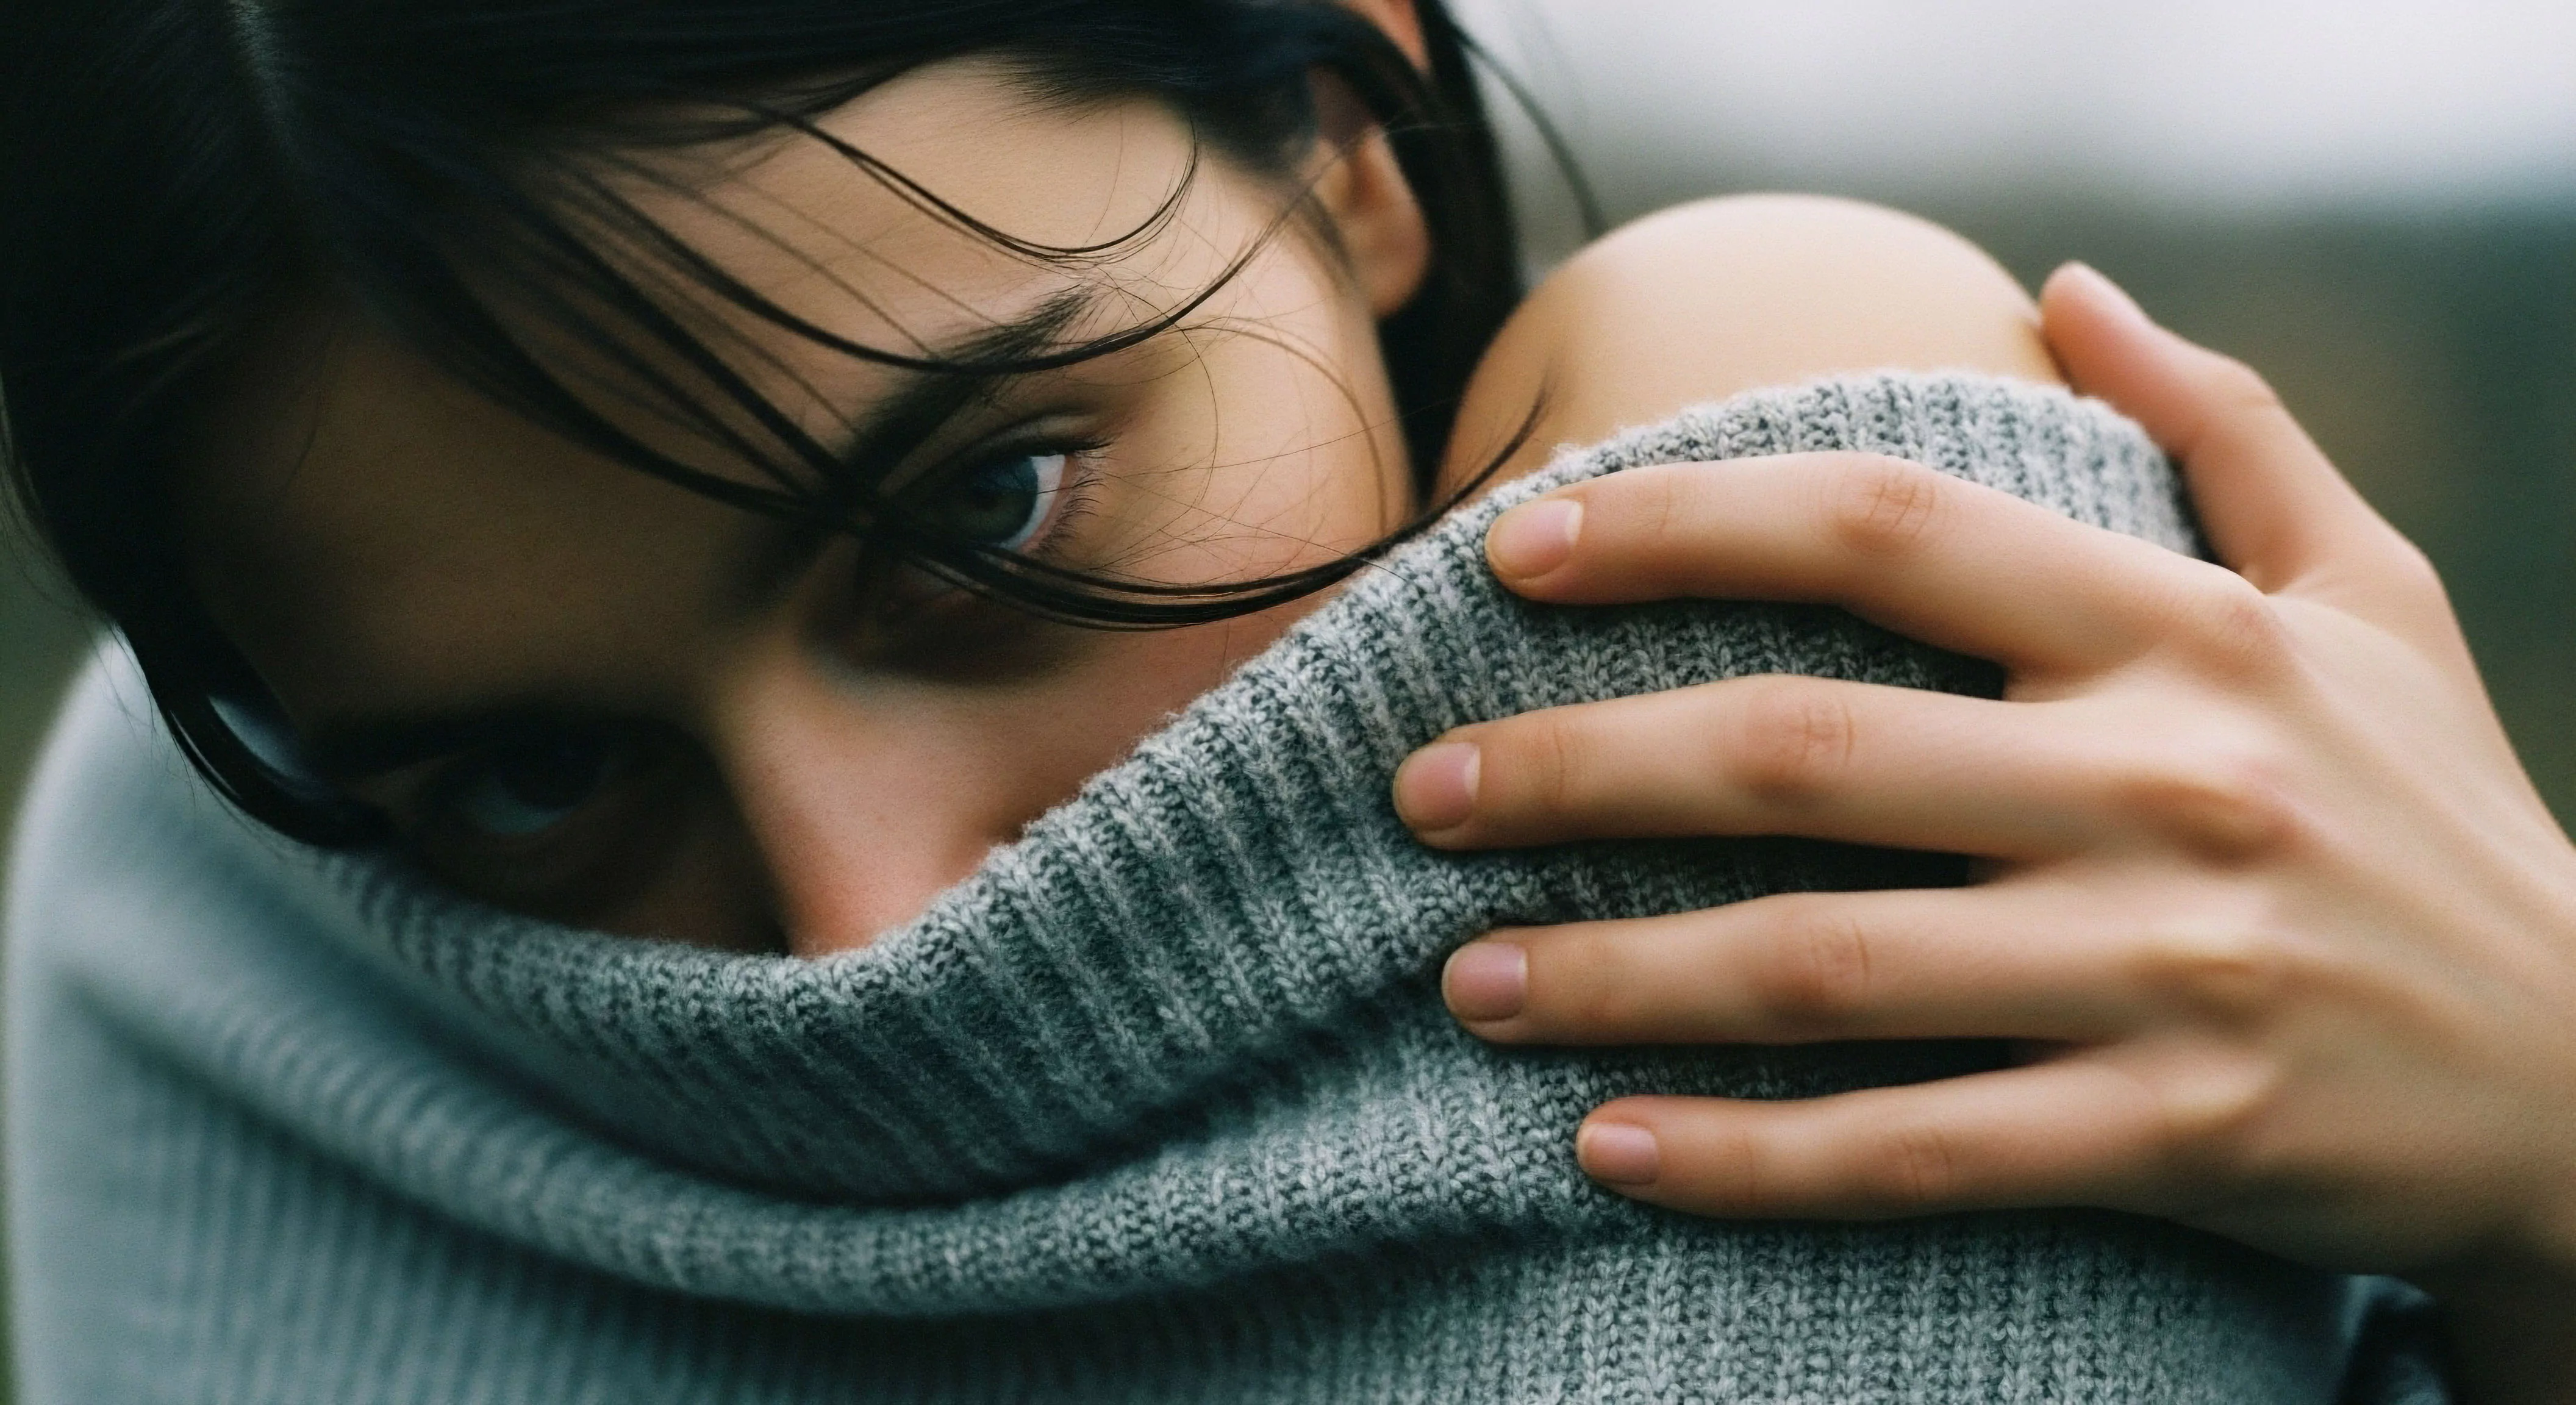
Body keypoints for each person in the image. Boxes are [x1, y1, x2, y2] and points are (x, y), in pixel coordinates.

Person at [1, 0, 2568, 1398]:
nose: (871, 932)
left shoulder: (1807, 534)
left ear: (1349, 137)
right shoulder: (201, 939)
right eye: (538, 778)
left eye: (987, 514)